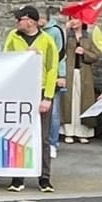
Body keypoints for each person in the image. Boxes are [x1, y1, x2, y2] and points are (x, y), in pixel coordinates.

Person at [3, 6, 58, 193]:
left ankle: (44, 178)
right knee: (18, 135)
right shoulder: (13, 37)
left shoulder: (47, 40)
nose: (17, 22)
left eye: (21, 19)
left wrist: (48, 97)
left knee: (43, 137)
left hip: (40, 90)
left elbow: (52, 69)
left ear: (31, 21)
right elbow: (5, 60)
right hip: (19, 91)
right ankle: (17, 177)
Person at [61, 16, 100, 143]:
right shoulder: (67, 36)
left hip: (84, 74)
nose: (74, 21)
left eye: (76, 18)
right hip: (69, 73)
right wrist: (65, 29)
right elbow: (59, 49)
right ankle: (68, 132)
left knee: (83, 102)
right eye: (72, 18)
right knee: (69, 102)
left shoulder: (88, 37)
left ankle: (83, 132)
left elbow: (95, 56)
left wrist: (84, 52)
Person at [40, 9, 69, 159]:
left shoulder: (55, 31)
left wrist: (61, 75)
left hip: (53, 75)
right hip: (39, 77)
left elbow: (61, 55)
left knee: (54, 112)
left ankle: (53, 143)